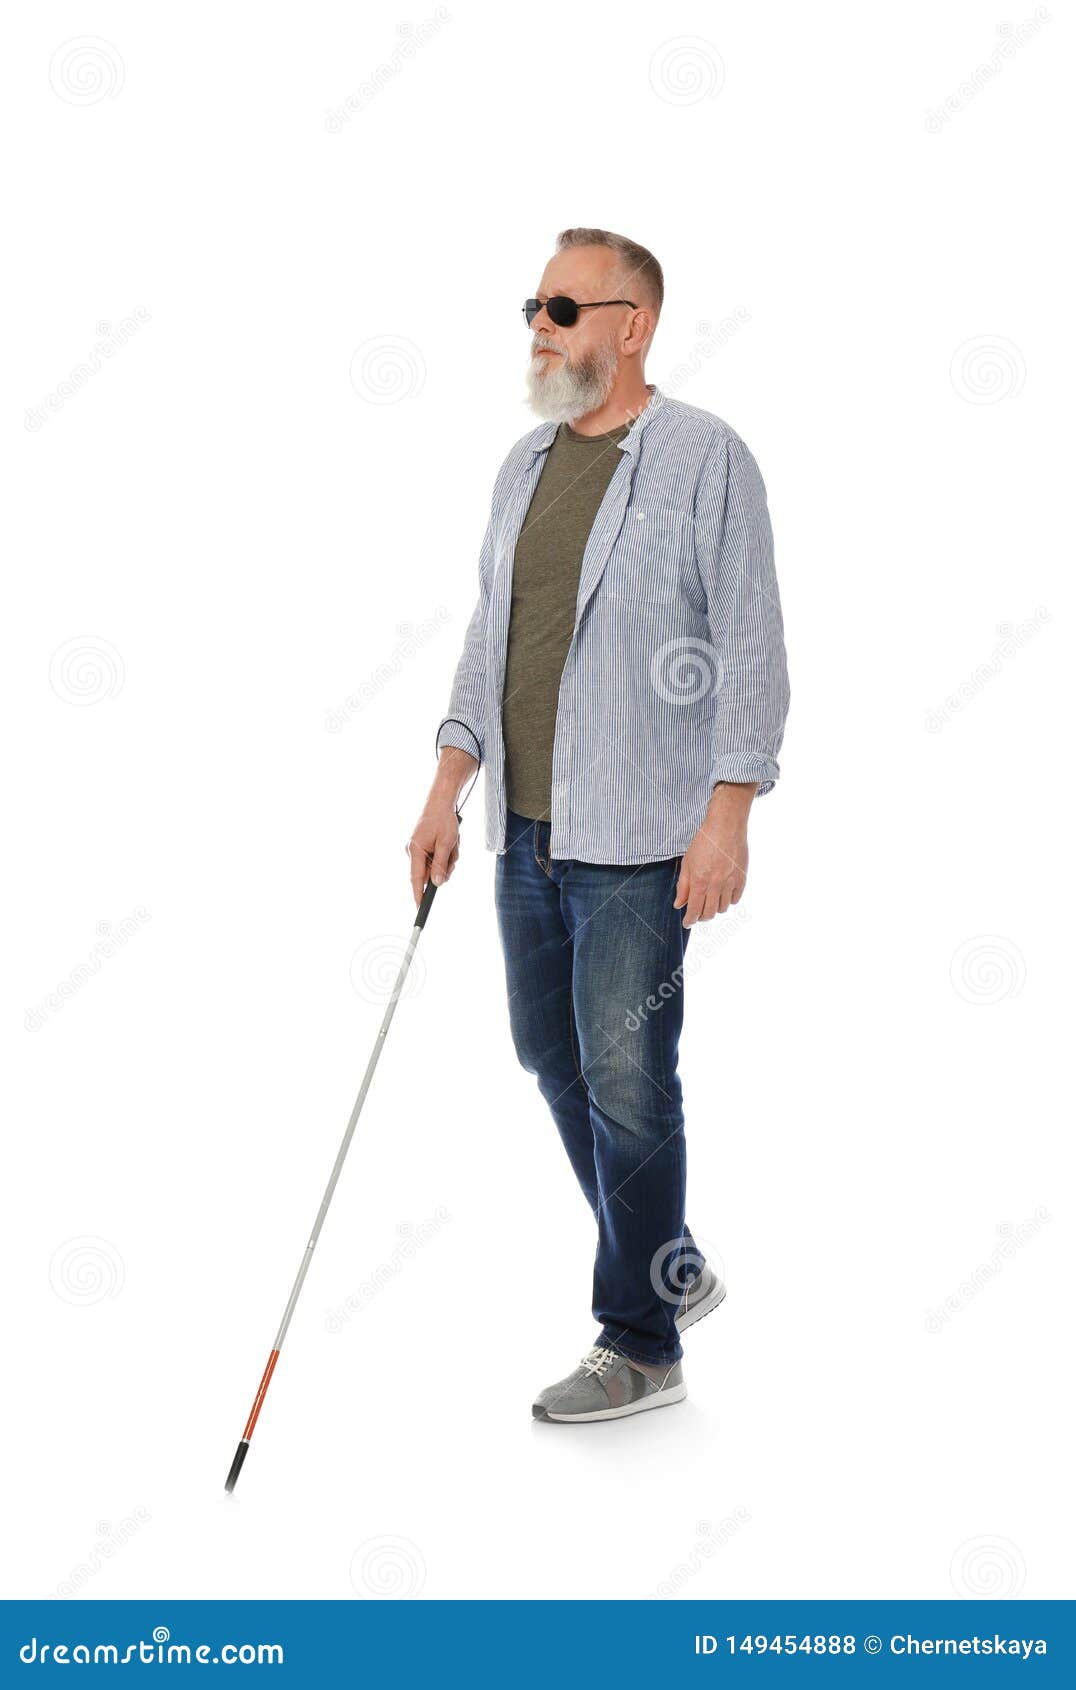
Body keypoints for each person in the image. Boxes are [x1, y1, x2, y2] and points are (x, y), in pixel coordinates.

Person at [408, 227, 790, 1422]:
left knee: (628, 1081)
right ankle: (669, 1262)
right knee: (548, 1056)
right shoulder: (522, 466)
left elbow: (751, 645)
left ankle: (639, 1341)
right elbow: (490, 633)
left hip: (636, 836)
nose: (540, 325)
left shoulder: (702, 456)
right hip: (523, 829)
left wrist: (727, 814)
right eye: (532, 304)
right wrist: (442, 783)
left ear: (633, 325)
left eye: (566, 308)